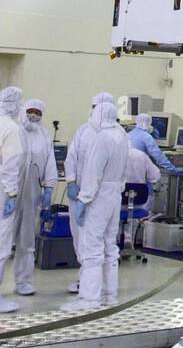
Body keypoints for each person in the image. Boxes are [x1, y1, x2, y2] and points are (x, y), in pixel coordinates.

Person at [64, 98, 129, 311]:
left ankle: (89, 300)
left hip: (99, 196)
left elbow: (93, 172)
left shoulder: (102, 138)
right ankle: (109, 296)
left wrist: (84, 199)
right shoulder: (121, 135)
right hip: (115, 196)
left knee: (91, 247)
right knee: (110, 246)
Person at [64, 92, 115, 295]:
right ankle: (86, 279)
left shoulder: (114, 135)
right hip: (79, 195)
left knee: (101, 241)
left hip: (101, 197)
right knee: (81, 238)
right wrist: (70, 181)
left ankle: (99, 284)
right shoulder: (83, 132)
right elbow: (71, 158)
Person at [9, 99, 58, 296]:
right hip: (9, 191)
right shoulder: (13, 132)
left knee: (26, 240)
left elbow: (50, 163)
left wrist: (49, 187)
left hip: (32, 192)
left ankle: (24, 282)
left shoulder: (44, 136)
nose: (33, 115)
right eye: (30, 111)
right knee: (3, 239)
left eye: (37, 112)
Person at [0, 86, 24, 313]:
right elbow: (10, 164)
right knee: (1, 244)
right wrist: (12, 193)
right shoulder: (10, 128)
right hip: (1, 190)